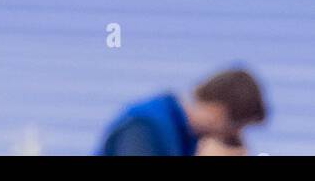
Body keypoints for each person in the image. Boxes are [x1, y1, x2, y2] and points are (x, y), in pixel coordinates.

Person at [98, 68, 267, 155]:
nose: (236, 138)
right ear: (218, 113)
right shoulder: (146, 126)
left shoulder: (186, 138)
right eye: (236, 127)